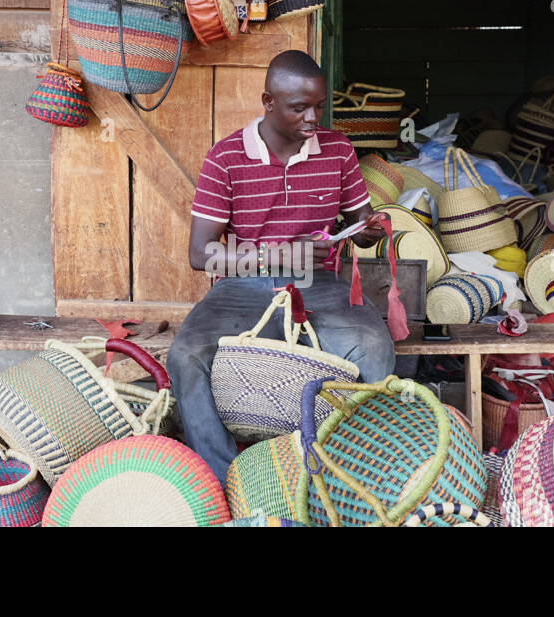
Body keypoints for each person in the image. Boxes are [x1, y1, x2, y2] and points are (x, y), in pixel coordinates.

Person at [167, 50, 396, 484]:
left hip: (320, 283)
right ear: (268, 102)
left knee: (372, 346)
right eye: (298, 108)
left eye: (318, 106)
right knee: (187, 354)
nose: (312, 119)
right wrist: (279, 255)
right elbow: (201, 255)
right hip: (242, 286)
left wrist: (369, 229)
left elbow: (360, 217)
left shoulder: (338, 150)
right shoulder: (226, 157)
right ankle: (226, 480)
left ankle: (356, 473)